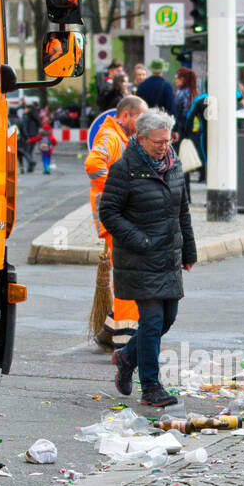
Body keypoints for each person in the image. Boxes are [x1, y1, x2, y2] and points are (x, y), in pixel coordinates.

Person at [99, 108, 196, 408]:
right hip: (140, 258)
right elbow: (109, 213)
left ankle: (126, 357)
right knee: (152, 322)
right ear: (140, 139)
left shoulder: (174, 165)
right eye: (157, 142)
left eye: (167, 141)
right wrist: (139, 239)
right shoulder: (124, 169)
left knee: (167, 319)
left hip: (168, 257)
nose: (164, 147)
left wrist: (189, 250)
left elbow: (183, 211)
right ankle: (151, 387)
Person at [85, 95, 147, 351]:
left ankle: (109, 332)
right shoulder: (111, 137)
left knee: (126, 274)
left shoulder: (118, 137)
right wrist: (118, 190)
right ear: (126, 116)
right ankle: (126, 342)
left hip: (115, 215)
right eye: (140, 118)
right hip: (115, 215)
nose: (142, 124)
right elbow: (92, 165)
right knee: (127, 276)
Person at [173, 67, 198, 140]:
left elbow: (185, 112)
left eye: (177, 77)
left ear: (183, 79)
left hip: (181, 128)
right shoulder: (192, 92)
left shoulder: (183, 93)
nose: (175, 80)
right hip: (191, 129)